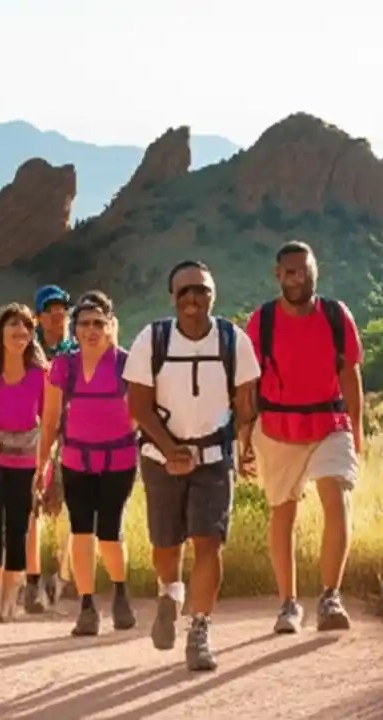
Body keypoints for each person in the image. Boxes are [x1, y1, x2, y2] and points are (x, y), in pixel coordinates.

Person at [125, 259, 260, 672]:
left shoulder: (232, 340)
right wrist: (170, 451)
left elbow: (246, 403)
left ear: (212, 294)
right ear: (173, 297)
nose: (192, 298)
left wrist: (246, 445)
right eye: (184, 291)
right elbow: (139, 407)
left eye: (200, 289)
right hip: (159, 456)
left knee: (209, 540)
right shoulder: (153, 339)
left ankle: (199, 631)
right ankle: (171, 591)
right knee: (166, 545)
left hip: (214, 459)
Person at [242, 240, 364, 634]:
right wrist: (243, 436)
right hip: (278, 428)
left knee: (337, 497)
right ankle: (288, 604)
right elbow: (247, 385)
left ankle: (330, 597)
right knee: (283, 511)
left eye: (304, 269)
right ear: (278, 275)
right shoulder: (261, 322)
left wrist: (358, 430)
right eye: (289, 271)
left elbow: (350, 373)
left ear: (316, 271)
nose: (297, 277)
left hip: (329, 422)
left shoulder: (335, 315)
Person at [36, 290, 138, 636]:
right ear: (75, 329)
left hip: (119, 460)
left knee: (109, 530)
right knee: (81, 531)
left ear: (111, 326)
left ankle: (120, 591)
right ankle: (87, 605)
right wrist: (41, 468)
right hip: (76, 460)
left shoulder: (126, 364)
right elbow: (49, 421)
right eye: (84, 323)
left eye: (98, 323)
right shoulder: (64, 367)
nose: (91, 330)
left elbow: (140, 416)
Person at [0, 303, 48, 623]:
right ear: (1, 331)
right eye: (13, 326)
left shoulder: (41, 375)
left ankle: (9, 599)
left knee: (19, 529)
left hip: (27, 463)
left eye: (26, 327)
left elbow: (50, 423)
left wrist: (44, 465)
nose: (20, 332)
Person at [26, 284, 78, 612]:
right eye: (50, 309)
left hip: (72, 438)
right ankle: (32, 580)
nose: (57, 314)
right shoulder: (29, 352)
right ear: (38, 316)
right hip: (36, 438)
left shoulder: (77, 348)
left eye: (62, 308)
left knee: (71, 511)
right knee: (33, 507)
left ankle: (63, 575)